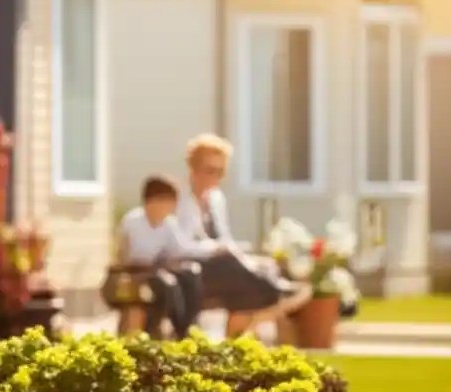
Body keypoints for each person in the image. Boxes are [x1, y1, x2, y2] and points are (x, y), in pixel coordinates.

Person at [173, 134, 312, 342]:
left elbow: (225, 239)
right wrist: (215, 249)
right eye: (210, 170)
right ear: (193, 168)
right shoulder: (180, 201)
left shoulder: (216, 199)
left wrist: (243, 257)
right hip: (194, 268)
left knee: (262, 268)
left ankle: (238, 335)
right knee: (236, 270)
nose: (215, 178)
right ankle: (274, 289)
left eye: (221, 172)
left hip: (222, 266)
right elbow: (180, 246)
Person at [114, 175, 204, 338]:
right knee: (167, 284)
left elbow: (180, 249)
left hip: (158, 268)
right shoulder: (133, 221)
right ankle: (172, 328)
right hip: (135, 272)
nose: (173, 207)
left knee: (191, 273)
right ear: (155, 201)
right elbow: (126, 254)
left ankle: (187, 327)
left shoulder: (168, 224)